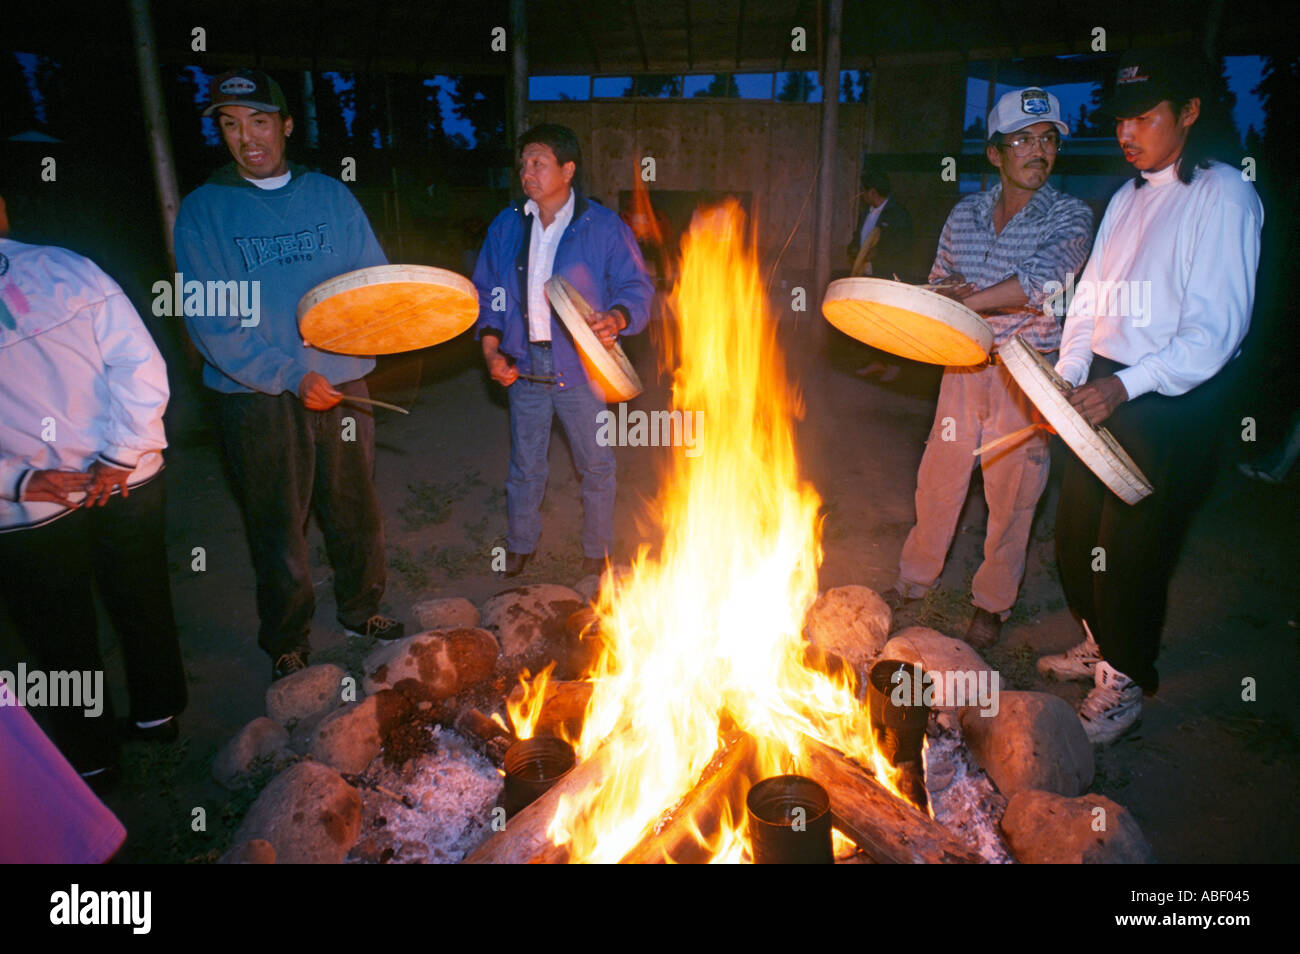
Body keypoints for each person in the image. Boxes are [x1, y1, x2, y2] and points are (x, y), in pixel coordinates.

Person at [1040, 50, 1263, 744]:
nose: (1128, 132)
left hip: (1168, 398)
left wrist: (1123, 385)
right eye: (1120, 120)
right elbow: (1091, 299)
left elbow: (1216, 330)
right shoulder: (1126, 198)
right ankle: (1099, 640)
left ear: (1191, 113)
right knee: (1075, 538)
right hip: (1106, 380)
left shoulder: (1223, 194)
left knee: (1131, 548)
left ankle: (1126, 678)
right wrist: (1071, 371)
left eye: (1145, 116)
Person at [174, 69, 404, 682]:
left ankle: (362, 608)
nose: (246, 137)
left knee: (355, 503)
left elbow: (370, 281)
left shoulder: (330, 195)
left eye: (258, 121)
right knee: (278, 520)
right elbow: (212, 321)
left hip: (343, 382)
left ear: (285, 125)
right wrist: (288, 374)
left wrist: (389, 332)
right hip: (256, 394)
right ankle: (286, 636)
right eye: (230, 124)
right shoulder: (204, 211)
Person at [885, 88, 1094, 649]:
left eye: (1048, 139)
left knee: (1014, 494)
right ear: (995, 154)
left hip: (1026, 373)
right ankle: (913, 580)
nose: (1039, 151)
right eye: (1023, 139)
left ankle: (992, 604)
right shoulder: (964, 214)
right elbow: (940, 277)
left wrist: (966, 301)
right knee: (939, 481)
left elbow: (1043, 281)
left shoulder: (1070, 214)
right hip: (962, 366)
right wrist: (940, 297)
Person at [0, 193, 187, 790]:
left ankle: (93, 756)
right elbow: (139, 365)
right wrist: (117, 456)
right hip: (121, 478)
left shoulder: (67, 268)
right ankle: (157, 715)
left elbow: (137, 363)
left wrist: (22, 478)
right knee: (141, 599)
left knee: (58, 631)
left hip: (29, 504)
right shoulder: (66, 267)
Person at [472, 124, 654, 578]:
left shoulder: (604, 226)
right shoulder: (507, 224)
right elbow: (489, 292)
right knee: (526, 464)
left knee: (596, 464)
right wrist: (493, 352)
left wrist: (617, 317)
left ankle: (597, 551)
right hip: (525, 363)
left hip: (583, 364)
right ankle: (520, 544)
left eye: (538, 162)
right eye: (523, 163)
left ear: (568, 169)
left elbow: (636, 287)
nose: (526, 172)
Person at [848, 165, 912, 280]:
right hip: (863, 275)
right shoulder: (865, 213)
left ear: (872, 192)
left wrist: (878, 254)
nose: (861, 194)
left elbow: (902, 245)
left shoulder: (898, 214)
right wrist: (853, 248)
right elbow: (857, 237)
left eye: (863, 190)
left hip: (884, 278)